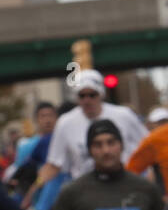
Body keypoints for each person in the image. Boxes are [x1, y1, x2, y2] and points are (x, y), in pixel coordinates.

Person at [27, 69, 146, 199]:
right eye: (82, 96)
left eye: (92, 95)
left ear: (101, 94)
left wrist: (147, 180)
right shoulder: (65, 123)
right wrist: (33, 190)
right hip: (86, 194)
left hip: (124, 189)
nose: (87, 100)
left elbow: (148, 148)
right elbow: (53, 164)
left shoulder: (124, 115)